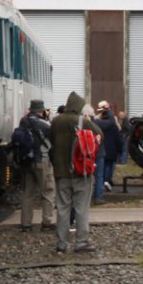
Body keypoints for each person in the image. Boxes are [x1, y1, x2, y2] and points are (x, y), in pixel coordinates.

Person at [46, 91, 97, 254]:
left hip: (61, 173)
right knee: (81, 208)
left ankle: (62, 243)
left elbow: (52, 141)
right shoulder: (82, 120)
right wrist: (89, 122)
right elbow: (99, 135)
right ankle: (81, 242)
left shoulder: (56, 121)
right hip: (81, 172)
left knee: (62, 208)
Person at [14, 101, 54, 232]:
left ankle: (26, 224)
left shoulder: (23, 121)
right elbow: (53, 137)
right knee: (47, 191)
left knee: (27, 194)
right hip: (42, 161)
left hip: (26, 162)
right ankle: (47, 222)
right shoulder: (44, 124)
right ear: (42, 110)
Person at [92, 101, 122, 203]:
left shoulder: (94, 122)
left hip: (96, 150)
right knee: (107, 169)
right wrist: (120, 149)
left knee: (97, 174)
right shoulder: (112, 123)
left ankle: (96, 191)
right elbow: (118, 137)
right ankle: (100, 191)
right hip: (109, 150)